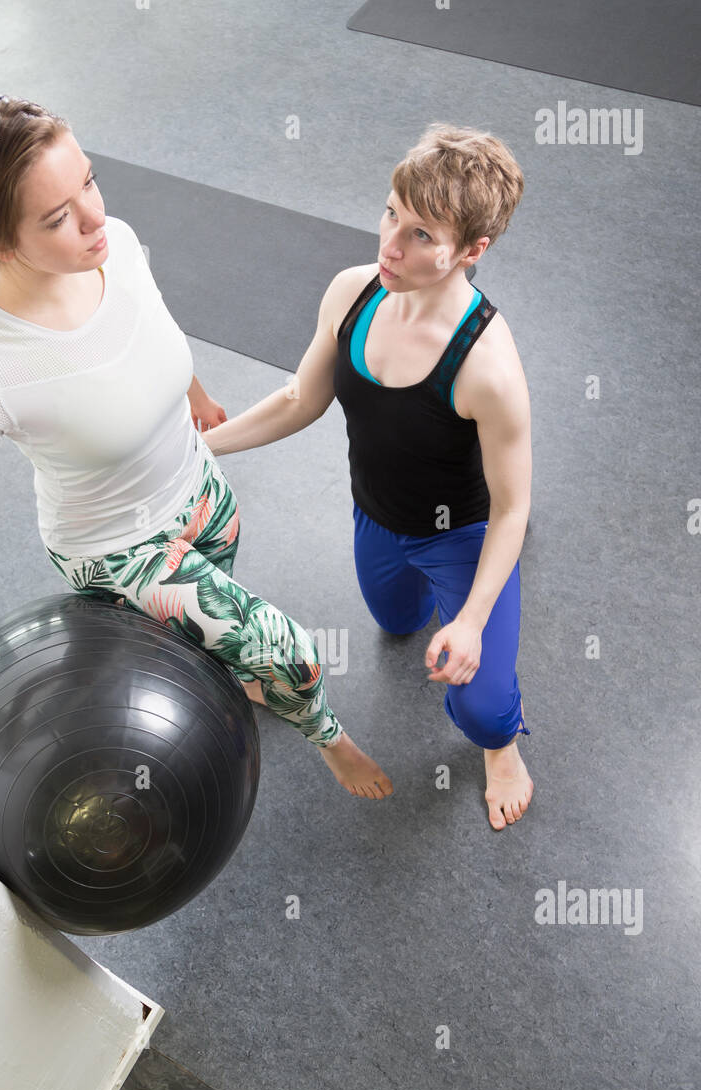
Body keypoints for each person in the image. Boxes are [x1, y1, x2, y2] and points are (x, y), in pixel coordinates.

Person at [0, 93, 392, 800]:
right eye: (56, 217)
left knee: (223, 631)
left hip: (200, 491)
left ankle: (240, 676)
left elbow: (148, 329)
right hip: (121, 549)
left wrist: (193, 394)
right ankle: (331, 740)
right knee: (290, 655)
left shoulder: (112, 239)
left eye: (87, 178)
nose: (92, 217)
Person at [200, 123, 534, 830]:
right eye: (390, 213)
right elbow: (300, 398)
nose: (389, 244)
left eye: (420, 235)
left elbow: (510, 506)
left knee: (477, 701)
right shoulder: (354, 292)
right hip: (375, 514)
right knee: (396, 623)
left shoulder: (488, 369)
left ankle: (503, 748)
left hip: (463, 534)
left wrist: (471, 622)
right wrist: (200, 453)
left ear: (472, 251)